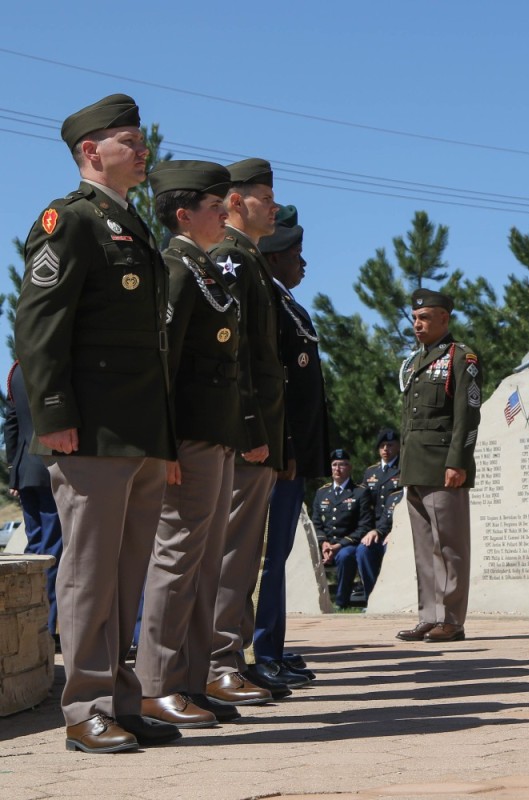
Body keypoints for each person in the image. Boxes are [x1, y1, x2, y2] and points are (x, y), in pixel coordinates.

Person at [15, 94, 181, 752]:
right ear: (91, 151)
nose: (143, 150)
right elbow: (39, 325)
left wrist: (163, 436)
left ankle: (119, 699)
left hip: (137, 431)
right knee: (89, 574)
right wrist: (53, 414)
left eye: (140, 140)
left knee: (125, 576)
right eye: (129, 142)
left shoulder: (129, 223)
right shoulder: (71, 221)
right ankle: (85, 706)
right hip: (89, 433)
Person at [135, 160, 258, 730]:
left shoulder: (204, 270)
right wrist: (165, 445)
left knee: (204, 565)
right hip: (189, 436)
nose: (224, 214)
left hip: (217, 432)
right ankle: (156, 685)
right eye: (214, 207)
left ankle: (189, 681)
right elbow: (164, 363)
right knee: (177, 559)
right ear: (184, 215)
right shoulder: (176, 270)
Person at [206, 158, 290, 703]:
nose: (274, 207)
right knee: (231, 554)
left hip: (259, 434)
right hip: (243, 435)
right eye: (266, 198)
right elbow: (232, 356)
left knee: (243, 555)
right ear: (236, 202)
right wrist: (250, 429)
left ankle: (231, 657)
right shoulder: (230, 258)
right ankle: (218, 662)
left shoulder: (251, 260)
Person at [251, 204, 329, 688]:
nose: (304, 263)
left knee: (275, 556)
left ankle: (272, 646)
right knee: (265, 557)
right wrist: (283, 446)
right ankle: (259, 650)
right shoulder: (269, 302)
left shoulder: (285, 303)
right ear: (276, 256)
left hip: (291, 452)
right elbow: (271, 385)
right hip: (278, 453)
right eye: (297, 254)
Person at [394, 288, 482, 644]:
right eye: (415, 318)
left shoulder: (462, 357)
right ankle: (428, 616)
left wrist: (458, 462)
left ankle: (451, 620)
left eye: (425, 317)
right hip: (416, 465)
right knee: (424, 549)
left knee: (450, 547)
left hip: (445, 465)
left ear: (444, 319)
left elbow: (467, 414)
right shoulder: (416, 361)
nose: (417, 324)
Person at [4, 363, 63, 645]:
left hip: (25, 471)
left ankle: (35, 624)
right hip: (52, 466)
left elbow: (11, 423)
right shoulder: (52, 365)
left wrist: (13, 470)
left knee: (36, 547)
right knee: (52, 551)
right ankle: (46, 628)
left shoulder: (15, 371)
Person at [313, 449, 374, 609]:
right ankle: (311, 602)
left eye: (342, 465)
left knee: (345, 556)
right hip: (325, 545)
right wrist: (324, 543)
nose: (337, 469)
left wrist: (338, 546)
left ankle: (341, 602)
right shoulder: (322, 493)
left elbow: (365, 526)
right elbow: (317, 523)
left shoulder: (360, 492)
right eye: (334, 465)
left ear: (350, 467)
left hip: (348, 545)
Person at [356, 428, 403, 605]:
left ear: (398, 447)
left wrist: (396, 531)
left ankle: (393, 600)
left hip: (395, 528)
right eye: (382, 446)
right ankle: (372, 599)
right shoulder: (371, 472)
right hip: (373, 529)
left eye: (390, 445)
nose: (386, 449)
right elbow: (363, 504)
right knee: (363, 551)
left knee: (391, 554)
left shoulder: (404, 469)